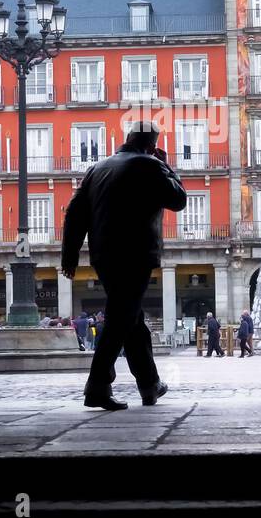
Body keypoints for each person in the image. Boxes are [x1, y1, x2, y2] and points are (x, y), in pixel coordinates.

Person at [61, 121, 187, 410]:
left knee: (132, 318)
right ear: (152, 146)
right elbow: (178, 199)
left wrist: (69, 255)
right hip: (135, 253)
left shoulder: (98, 168)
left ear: (127, 138)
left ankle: (149, 384)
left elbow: (75, 213)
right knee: (121, 318)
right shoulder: (150, 165)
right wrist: (166, 167)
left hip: (104, 255)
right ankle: (97, 386)